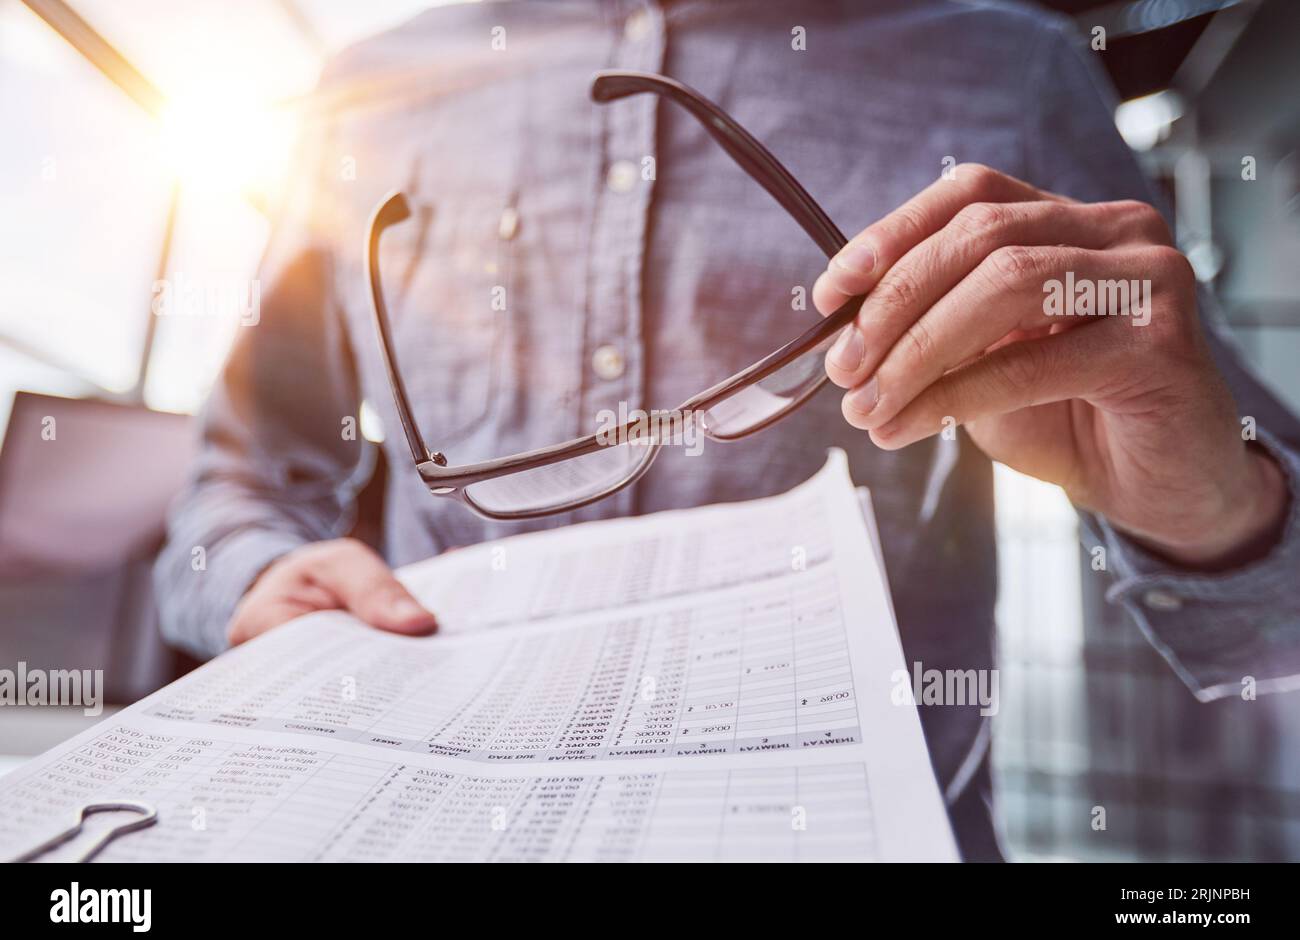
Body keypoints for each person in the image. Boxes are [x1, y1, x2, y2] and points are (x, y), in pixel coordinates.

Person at [155, 0, 1300, 860]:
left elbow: (1279, 621)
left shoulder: (1008, 66)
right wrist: (257, 575)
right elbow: (235, 482)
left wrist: (1210, 504)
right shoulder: (365, 92)